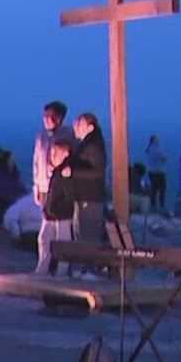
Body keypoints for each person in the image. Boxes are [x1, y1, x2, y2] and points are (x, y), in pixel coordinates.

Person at [33, 140, 77, 277]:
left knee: (62, 242)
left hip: (62, 213)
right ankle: (42, 268)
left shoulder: (67, 170)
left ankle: (62, 271)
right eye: (51, 153)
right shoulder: (57, 171)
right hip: (51, 212)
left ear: (66, 153)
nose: (52, 156)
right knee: (44, 239)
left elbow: (69, 194)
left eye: (56, 152)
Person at [68, 113, 109, 249]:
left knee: (88, 235)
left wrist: (72, 172)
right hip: (85, 196)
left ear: (90, 127)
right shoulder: (88, 143)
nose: (76, 126)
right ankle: (86, 266)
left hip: (90, 197)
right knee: (83, 233)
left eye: (80, 124)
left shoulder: (93, 145)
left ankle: (90, 266)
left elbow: (97, 171)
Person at [31, 102, 71, 212]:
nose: (46, 119)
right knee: (46, 215)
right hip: (44, 186)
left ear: (59, 118)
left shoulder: (69, 134)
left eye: (50, 116)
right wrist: (36, 186)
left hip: (61, 185)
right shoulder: (41, 135)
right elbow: (36, 161)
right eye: (45, 116)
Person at [144, 135, 168, 214]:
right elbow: (163, 157)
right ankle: (157, 206)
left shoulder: (153, 149)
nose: (158, 141)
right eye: (156, 140)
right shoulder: (153, 149)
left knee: (158, 189)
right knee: (158, 189)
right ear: (153, 141)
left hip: (156, 171)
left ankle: (157, 206)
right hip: (156, 172)